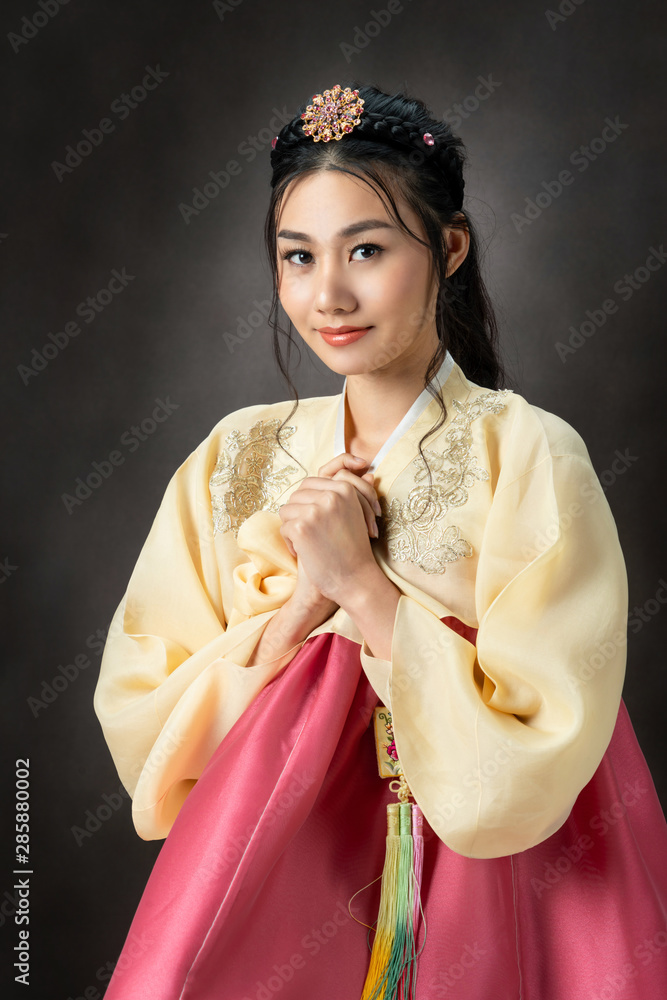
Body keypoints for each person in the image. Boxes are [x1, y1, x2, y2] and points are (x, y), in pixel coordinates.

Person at [93, 82, 667, 999]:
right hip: (279, 868)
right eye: (297, 256)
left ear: (448, 247)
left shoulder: (524, 451)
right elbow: (147, 726)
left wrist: (365, 590)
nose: (328, 294)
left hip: (501, 881)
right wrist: (304, 609)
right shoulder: (235, 455)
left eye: (366, 249)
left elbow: (550, 732)